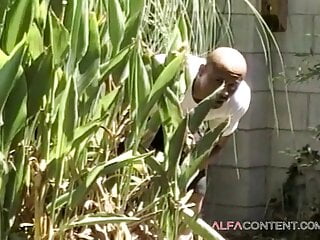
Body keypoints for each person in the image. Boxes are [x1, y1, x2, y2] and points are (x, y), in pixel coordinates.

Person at [155, 47, 251, 239]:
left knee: (196, 191)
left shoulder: (237, 101)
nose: (225, 90)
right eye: (218, 81)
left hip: (192, 127)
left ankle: (184, 235)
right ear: (201, 71)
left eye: (232, 85)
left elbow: (220, 143)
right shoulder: (168, 71)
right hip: (153, 121)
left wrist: (192, 169)